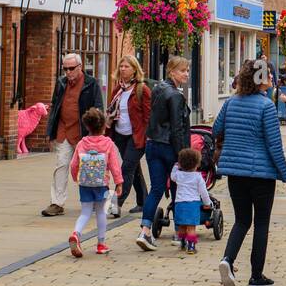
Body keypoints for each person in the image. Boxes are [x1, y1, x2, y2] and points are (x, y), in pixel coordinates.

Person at [215, 60, 286, 286]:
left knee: (241, 220)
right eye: (269, 75)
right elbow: (273, 145)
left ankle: (227, 260)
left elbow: (216, 130)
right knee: (261, 222)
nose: (272, 79)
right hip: (261, 175)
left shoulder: (231, 102)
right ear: (261, 80)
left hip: (234, 172)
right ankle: (256, 277)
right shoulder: (266, 106)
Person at [135, 56, 191, 251]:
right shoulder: (175, 95)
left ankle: (145, 231)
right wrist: (182, 155)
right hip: (169, 147)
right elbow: (177, 128)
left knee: (157, 188)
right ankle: (179, 233)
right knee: (177, 189)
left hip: (153, 145)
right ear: (172, 71)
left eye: (187, 70)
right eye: (182, 70)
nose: (186, 73)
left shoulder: (158, 88)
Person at [42, 53, 104, 217]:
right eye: (65, 69)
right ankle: (57, 203)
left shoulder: (92, 84)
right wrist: (50, 131)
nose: (68, 72)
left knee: (89, 167)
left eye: (71, 68)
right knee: (61, 166)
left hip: (84, 133)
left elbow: (98, 107)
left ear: (80, 67)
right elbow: (55, 107)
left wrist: (95, 133)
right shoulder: (61, 83)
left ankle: (92, 201)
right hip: (63, 130)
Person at [67, 107, 123, 258]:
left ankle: (76, 234)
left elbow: (73, 164)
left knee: (85, 213)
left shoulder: (81, 143)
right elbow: (114, 165)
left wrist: (75, 178)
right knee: (101, 212)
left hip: (85, 183)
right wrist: (119, 182)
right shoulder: (108, 143)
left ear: (87, 126)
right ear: (104, 126)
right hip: (101, 184)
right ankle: (101, 243)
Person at [106, 54, 151, 215]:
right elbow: (111, 111)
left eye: (127, 67)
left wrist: (148, 136)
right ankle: (143, 201)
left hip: (137, 136)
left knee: (126, 168)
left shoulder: (142, 89)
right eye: (121, 66)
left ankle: (116, 204)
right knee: (133, 168)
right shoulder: (118, 89)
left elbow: (148, 116)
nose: (123, 69)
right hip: (120, 135)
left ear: (134, 70)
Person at [170, 145, 213, 253]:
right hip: (193, 204)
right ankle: (191, 246)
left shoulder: (178, 175)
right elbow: (203, 192)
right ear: (197, 164)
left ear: (181, 163)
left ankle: (183, 242)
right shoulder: (198, 177)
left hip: (179, 204)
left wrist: (175, 166)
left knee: (182, 226)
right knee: (191, 228)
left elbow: (172, 176)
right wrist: (208, 203)